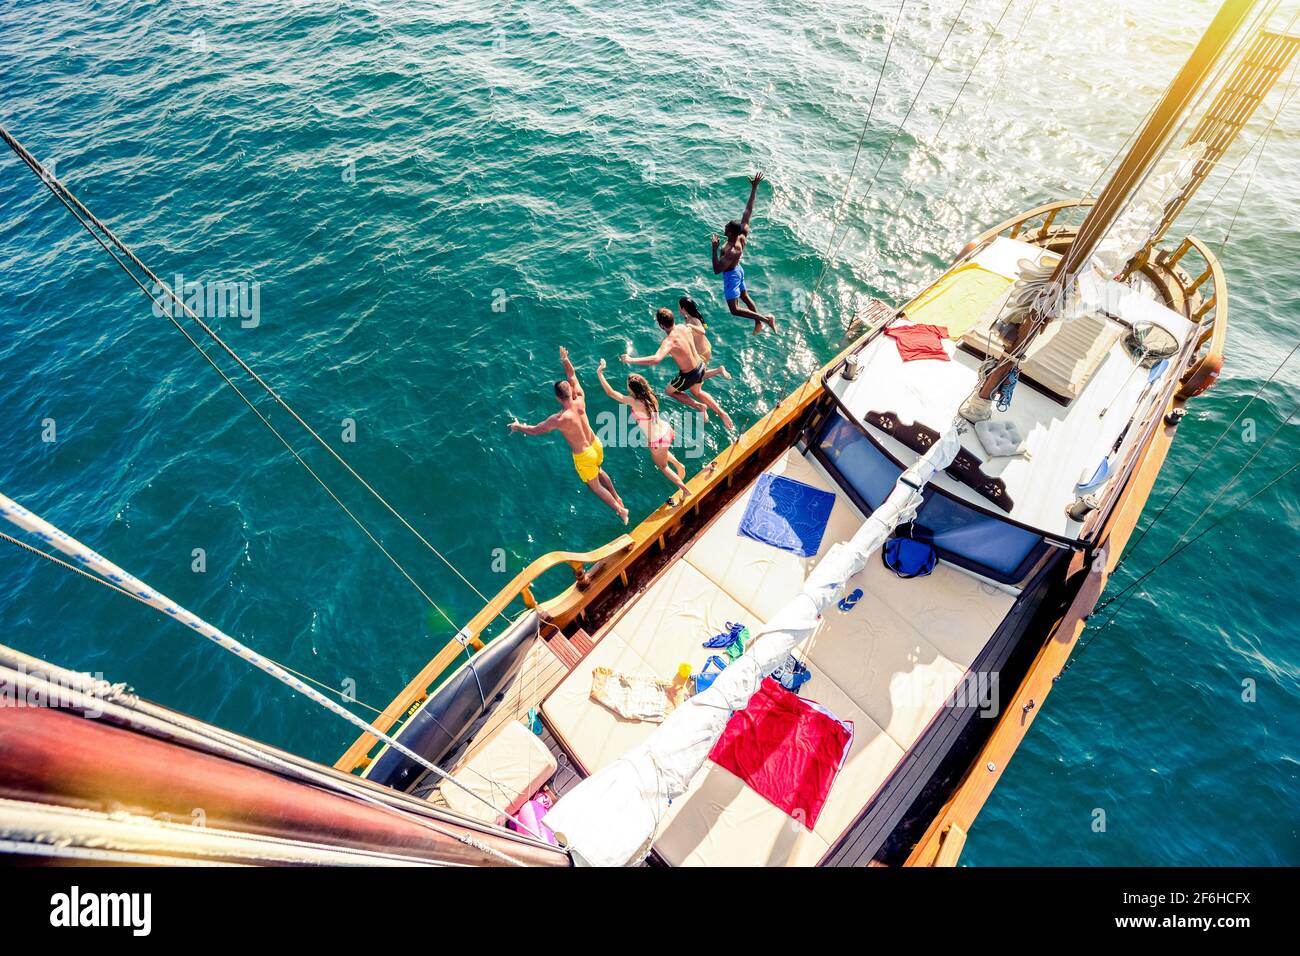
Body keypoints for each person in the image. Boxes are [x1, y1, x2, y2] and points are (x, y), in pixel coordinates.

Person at [509, 346, 628, 524]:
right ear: (570, 392)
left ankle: (620, 510)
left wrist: (518, 427)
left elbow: (534, 430)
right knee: (600, 470)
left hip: (584, 455)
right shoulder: (580, 397)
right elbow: (572, 376)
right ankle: (617, 496)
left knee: (595, 487)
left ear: (558, 398)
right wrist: (565, 359)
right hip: (596, 444)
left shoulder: (559, 419)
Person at [596, 359, 692, 507]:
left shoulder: (635, 403)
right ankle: (679, 465)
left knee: (663, 467)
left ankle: (684, 489)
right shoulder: (650, 396)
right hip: (666, 431)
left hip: (658, 440)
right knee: (662, 452)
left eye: (628, 385)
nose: (626, 387)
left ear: (633, 389)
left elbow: (611, 393)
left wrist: (600, 372)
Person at [623, 308, 735, 432]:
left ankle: (699, 406)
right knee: (697, 392)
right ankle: (722, 413)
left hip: (689, 375)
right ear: (673, 320)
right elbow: (696, 329)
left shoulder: (669, 341)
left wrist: (630, 360)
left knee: (669, 391)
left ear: (661, 325)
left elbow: (656, 359)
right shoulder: (683, 327)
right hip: (701, 366)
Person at [712, 172, 777, 334]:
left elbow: (717, 269)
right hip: (738, 270)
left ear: (731, 233)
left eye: (727, 227)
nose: (725, 227)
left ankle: (765, 319)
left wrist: (714, 248)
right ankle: (758, 323)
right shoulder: (742, 235)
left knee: (734, 309)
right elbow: (748, 210)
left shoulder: (731, 251)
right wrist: (754, 188)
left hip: (731, 275)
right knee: (746, 297)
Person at [678, 296, 730, 383]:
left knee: (698, 377)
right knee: (699, 376)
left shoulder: (694, 319)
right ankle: (718, 370)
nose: (678, 308)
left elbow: (702, 331)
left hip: (702, 353)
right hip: (704, 349)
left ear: (683, 308)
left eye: (679, 306)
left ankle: (719, 370)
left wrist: (690, 326)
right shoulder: (688, 317)